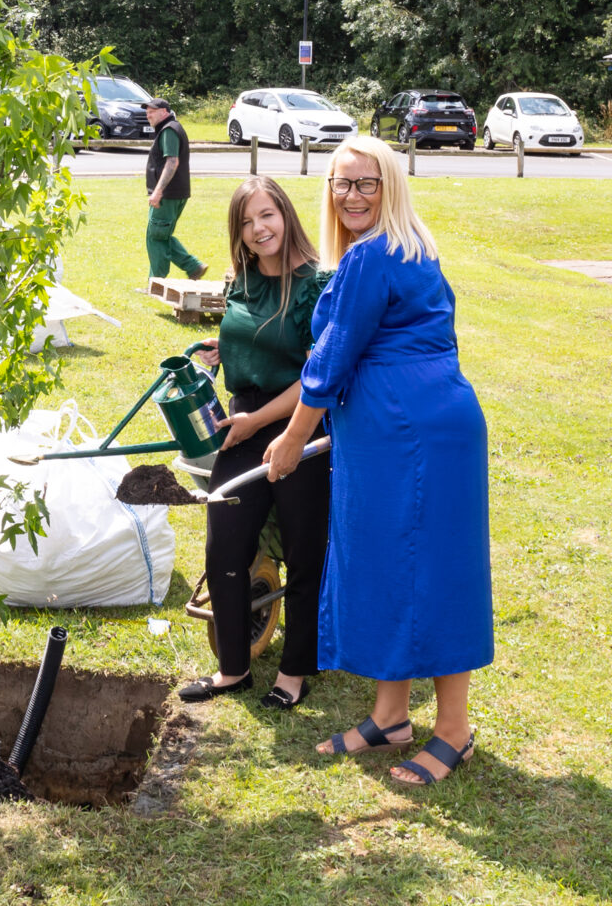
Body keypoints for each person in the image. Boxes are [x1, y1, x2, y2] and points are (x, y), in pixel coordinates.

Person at [265, 134, 491, 786]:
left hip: (410, 438)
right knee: (393, 565)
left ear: (390, 188)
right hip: (410, 432)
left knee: (432, 574)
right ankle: (391, 715)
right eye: (342, 182)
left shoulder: (374, 257)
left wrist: (288, 442)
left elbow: (328, 365)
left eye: (367, 183)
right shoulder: (412, 249)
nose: (353, 194)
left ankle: (453, 731)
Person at [176, 177, 330, 710]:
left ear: (285, 215)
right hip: (242, 422)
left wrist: (261, 417)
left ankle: (294, 673)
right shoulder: (240, 281)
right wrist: (228, 346)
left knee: (304, 549)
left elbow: (317, 370)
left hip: (301, 426)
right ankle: (233, 669)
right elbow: (256, 332)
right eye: (246, 221)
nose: (258, 228)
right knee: (225, 543)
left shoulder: (316, 283)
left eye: (266, 215)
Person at [143, 97, 207, 280]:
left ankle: (157, 282)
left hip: (167, 195)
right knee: (161, 235)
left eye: (152, 111)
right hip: (175, 193)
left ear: (164, 112)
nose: (148, 115)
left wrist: (158, 190)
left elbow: (172, 161)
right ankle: (194, 267)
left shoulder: (169, 130)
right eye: (147, 112)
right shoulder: (170, 128)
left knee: (156, 236)